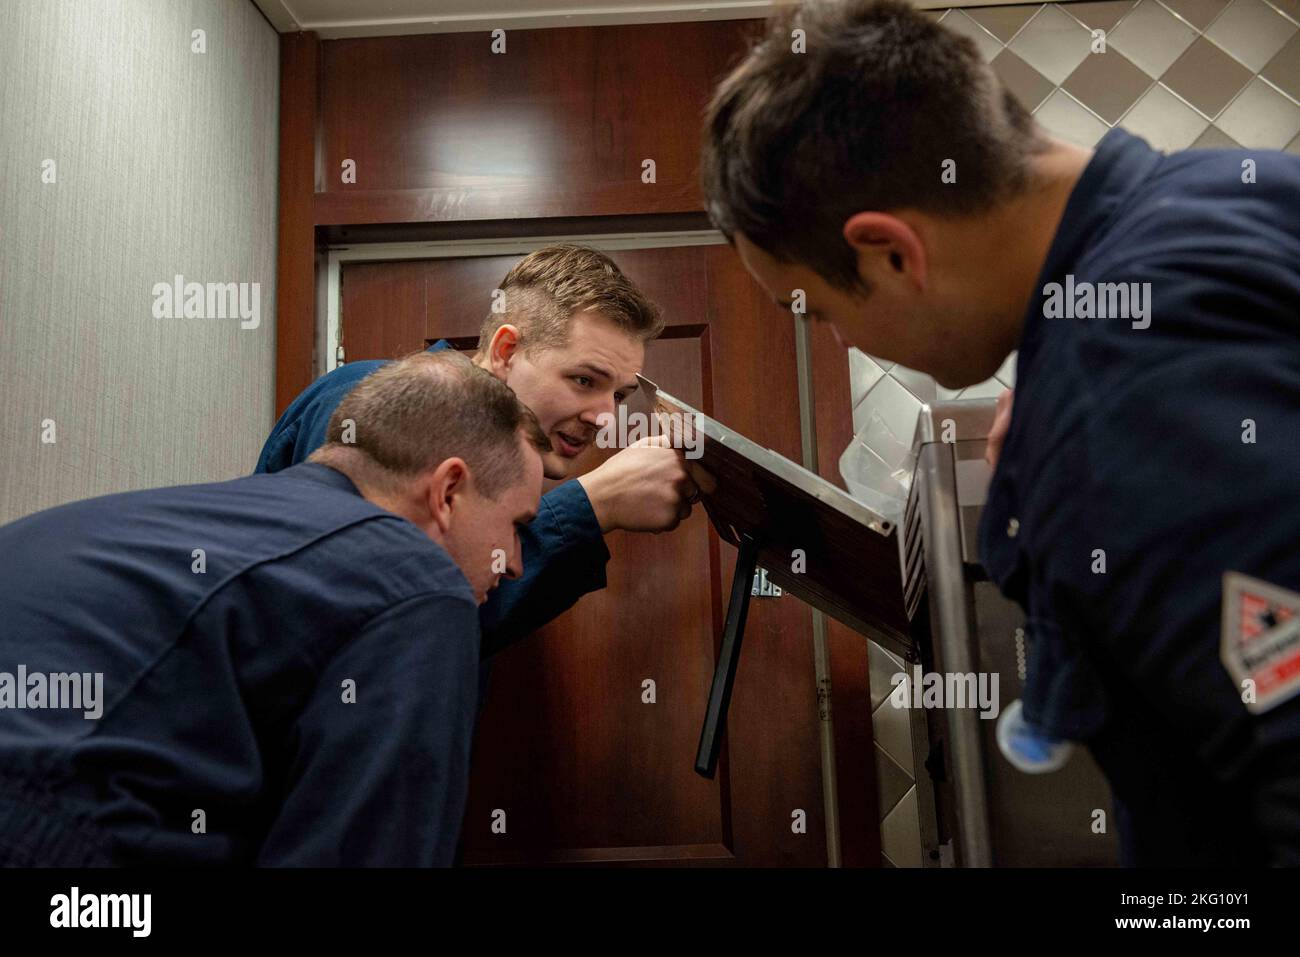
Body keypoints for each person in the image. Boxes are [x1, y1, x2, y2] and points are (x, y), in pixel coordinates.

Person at [701, 0, 1300, 865]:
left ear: (890, 252)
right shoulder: (1232, 198)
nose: (840, 339)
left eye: (820, 310)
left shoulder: (1118, 387)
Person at [0, 351, 547, 866]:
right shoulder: (416, 582)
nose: (518, 562)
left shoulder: (143, 520)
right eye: (518, 526)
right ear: (448, 491)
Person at [259, 244, 698, 655]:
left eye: (619, 397)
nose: (605, 418)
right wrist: (593, 505)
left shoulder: (499, 455)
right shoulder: (371, 399)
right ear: (506, 351)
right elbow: (379, 623)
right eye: (584, 380)